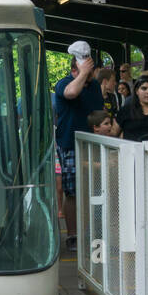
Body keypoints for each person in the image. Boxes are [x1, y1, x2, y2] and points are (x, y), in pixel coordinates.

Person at [52, 40, 104, 249]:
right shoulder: (64, 83)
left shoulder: (95, 87)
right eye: (85, 69)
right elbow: (71, 94)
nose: (90, 74)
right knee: (72, 191)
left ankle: (92, 232)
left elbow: (99, 112)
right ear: (75, 68)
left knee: (95, 190)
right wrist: (83, 74)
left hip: (92, 143)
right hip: (70, 144)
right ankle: (72, 234)